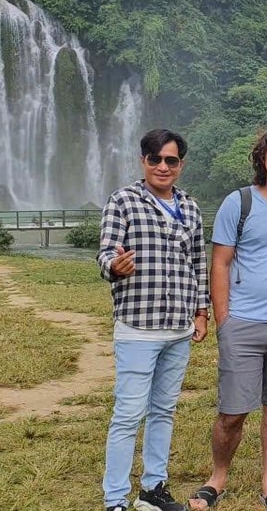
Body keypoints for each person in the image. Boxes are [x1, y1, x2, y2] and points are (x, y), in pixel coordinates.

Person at [191, 125, 267, 511]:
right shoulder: (239, 203)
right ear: (262, 159)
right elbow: (221, 262)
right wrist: (223, 318)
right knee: (232, 411)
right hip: (243, 321)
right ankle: (218, 477)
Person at [97, 129, 209, 511]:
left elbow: (199, 263)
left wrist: (201, 312)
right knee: (128, 414)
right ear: (143, 161)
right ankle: (115, 499)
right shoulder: (123, 201)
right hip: (138, 326)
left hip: (179, 327)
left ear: (181, 164)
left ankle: (153, 488)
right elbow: (105, 254)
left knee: (164, 410)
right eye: (155, 159)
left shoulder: (190, 208)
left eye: (171, 160)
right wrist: (115, 265)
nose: (163, 166)